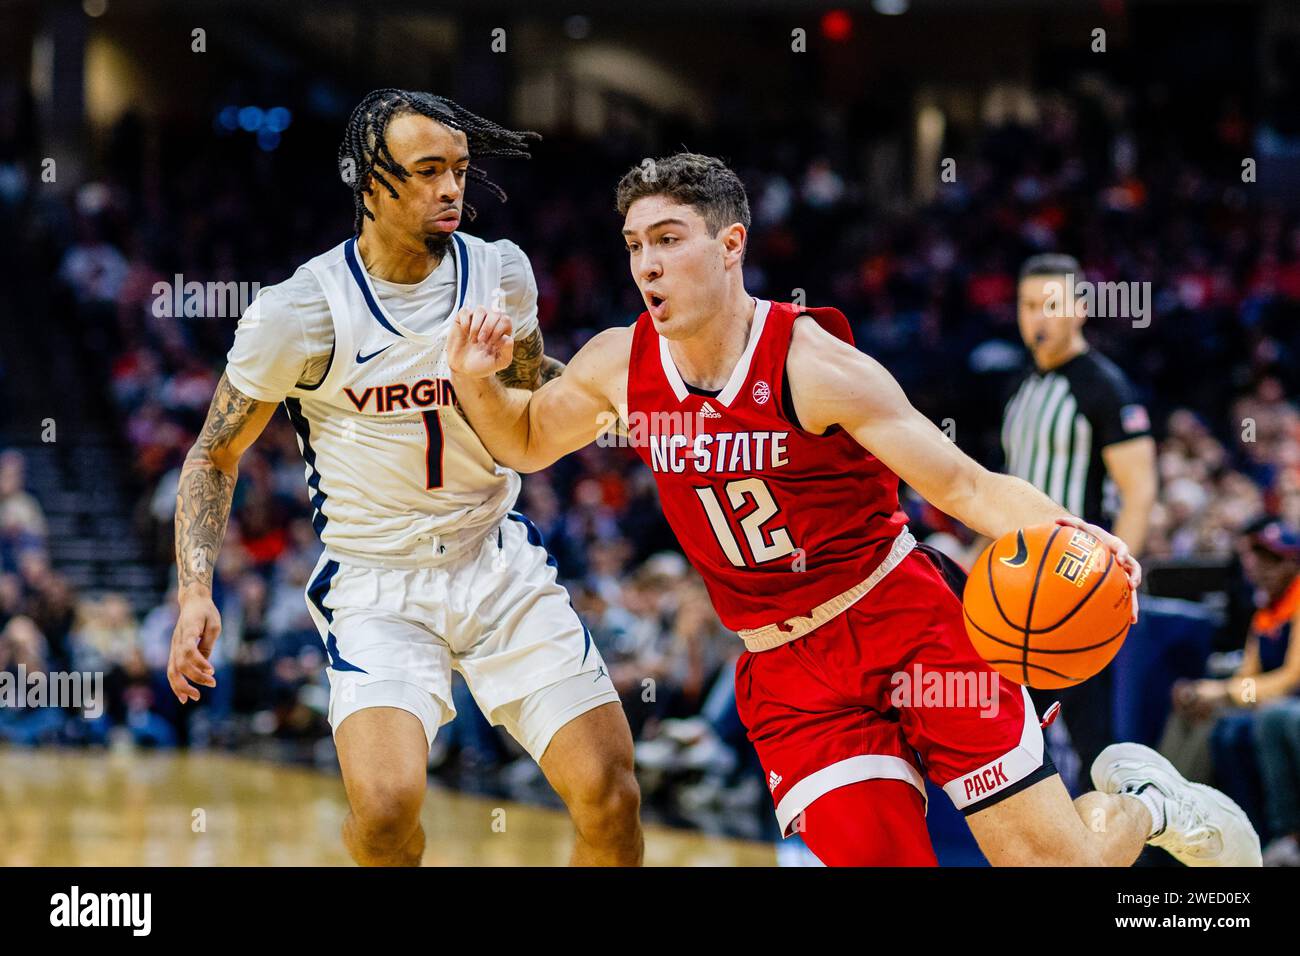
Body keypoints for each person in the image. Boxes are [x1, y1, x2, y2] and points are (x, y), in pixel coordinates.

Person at [446, 151, 1260, 866]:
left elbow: (968, 488)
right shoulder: (618, 365)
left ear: (731, 245)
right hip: (791, 673)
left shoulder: (816, 365)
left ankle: (1153, 805)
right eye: (633, 246)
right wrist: (475, 377)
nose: (646, 266)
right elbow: (522, 443)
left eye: (668, 240)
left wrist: (1087, 539)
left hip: (904, 624)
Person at [167, 89, 642, 867]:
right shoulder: (299, 313)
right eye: (426, 171)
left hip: (496, 561)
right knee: (387, 812)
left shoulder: (502, 273)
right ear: (367, 180)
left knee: (612, 794)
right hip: (376, 582)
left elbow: (530, 405)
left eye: (458, 169)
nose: (451, 187)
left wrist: (624, 408)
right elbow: (213, 453)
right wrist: (194, 592)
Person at [1002, 254, 1159, 783]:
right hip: (1020, 583)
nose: (1037, 319)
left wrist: (1113, 582)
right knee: (1016, 733)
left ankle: (1131, 855)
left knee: (1094, 739)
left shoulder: (1102, 386)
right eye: (1027, 306)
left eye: (1050, 305)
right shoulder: (1021, 388)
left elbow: (1140, 492)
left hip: (1077, 581)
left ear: (1081, 310)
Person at [1172, 517, 1300, 865]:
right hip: (1274, 704)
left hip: (1288, 703)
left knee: (1270, 719)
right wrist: (1218, 695)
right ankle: (1238, 833)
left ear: (1292, 563)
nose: (1262, 567)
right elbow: (1249, 675)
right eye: (1258, 558)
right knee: (1224, 729)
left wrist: (1226, 693)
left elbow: (1291, 677)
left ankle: (1286, 835)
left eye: (1273, 559)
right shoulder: (1266, 611)